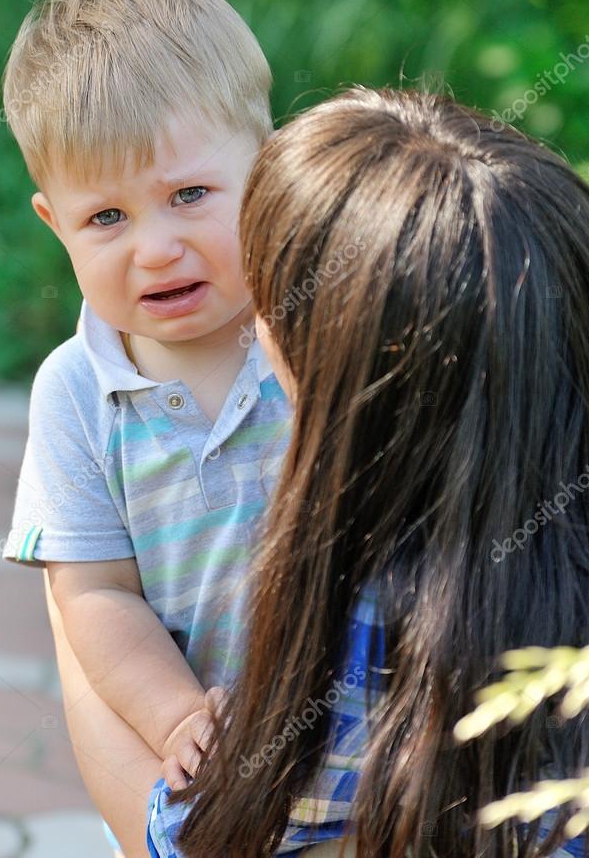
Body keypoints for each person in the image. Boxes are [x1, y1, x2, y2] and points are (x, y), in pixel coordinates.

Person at [143, 88, 589, 858]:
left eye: (271, 310)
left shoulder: (347, 630)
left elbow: (188, 834)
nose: (252, 328)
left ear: (329, 372)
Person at [0, 0, 358, 858]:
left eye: (189, 195)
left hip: (371, 736)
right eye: (107, 218)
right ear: (54, 223)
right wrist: (174, 718)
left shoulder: (322, 327)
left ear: (269, 170)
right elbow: (98, 597)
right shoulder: (77, 394)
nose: (154, 249)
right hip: (218, 766)